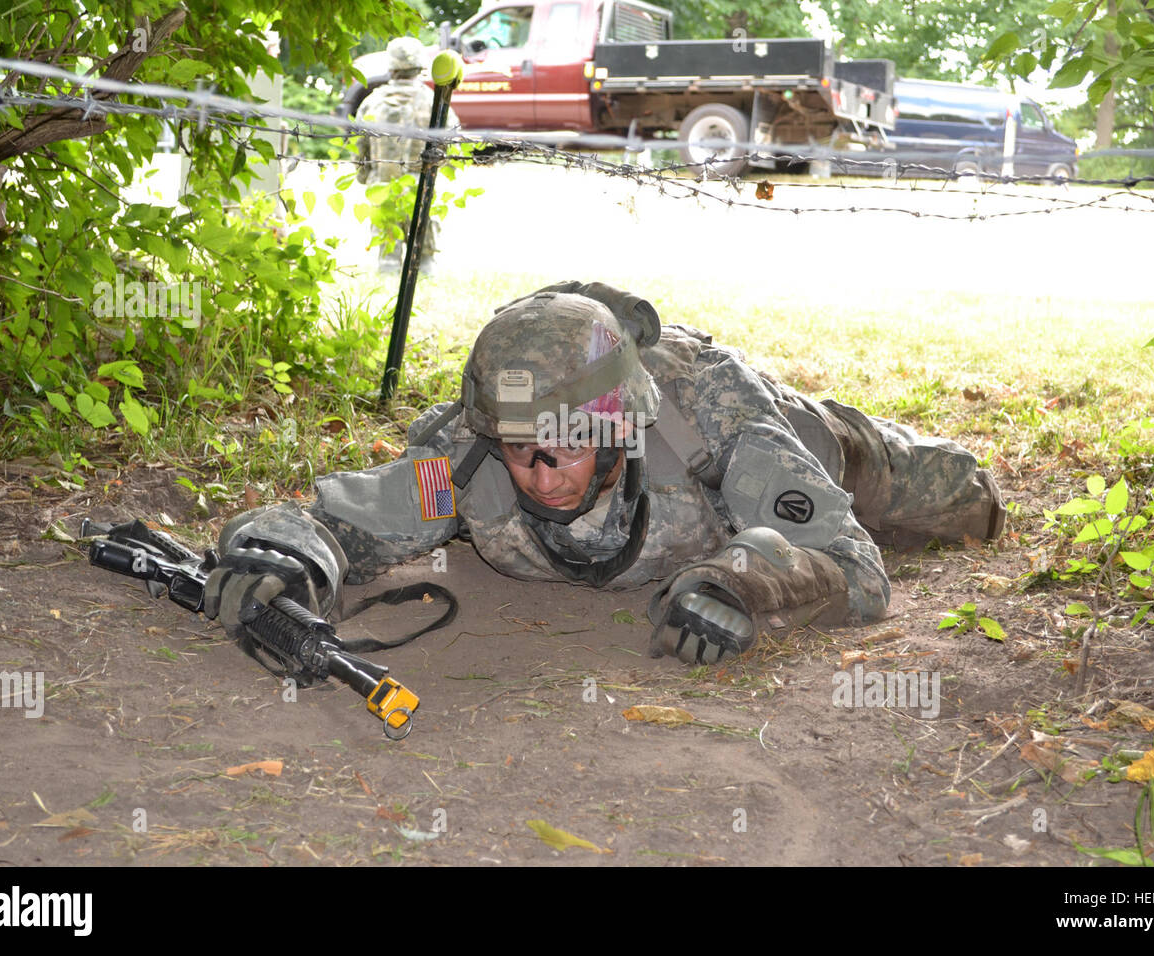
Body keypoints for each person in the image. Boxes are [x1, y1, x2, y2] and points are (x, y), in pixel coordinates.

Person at [204, 281, 1004, 665]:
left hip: (794, 435)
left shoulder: (717, 427)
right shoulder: (473, 454)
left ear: (619, 432)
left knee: (963, 502)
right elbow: (342, 519)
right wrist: (284, 553)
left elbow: (854, 564)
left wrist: (746, 579)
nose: (543, 476)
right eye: (524, 451)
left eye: (567, 448)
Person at [354, 36, 459, 272]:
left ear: (391, 66)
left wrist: (364, 177)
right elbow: (451, 146)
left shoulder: (372, 102)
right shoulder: (437, 102)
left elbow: (358, 148)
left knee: (387, 259)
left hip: (382, 186)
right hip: (421, 186)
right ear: (421, 66)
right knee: (425, 259)